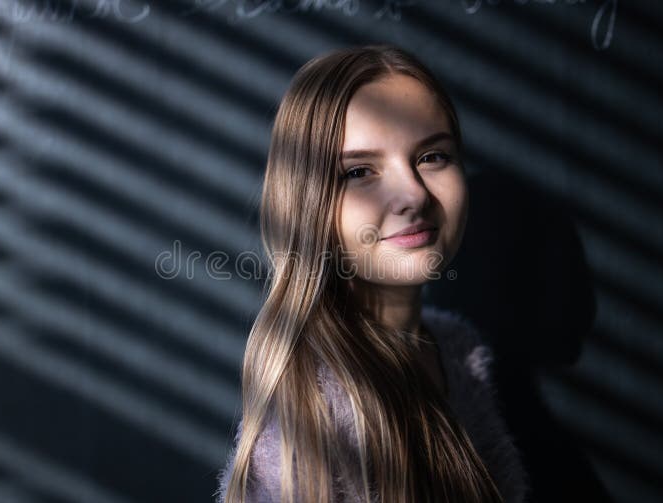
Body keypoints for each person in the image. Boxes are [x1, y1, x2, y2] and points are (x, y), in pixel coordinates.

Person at [215, 44, 528, 502]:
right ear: (310, 203)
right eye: (360, 170)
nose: (414, 196)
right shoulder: (312, 412)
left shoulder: (459, 352)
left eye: (432, 156)